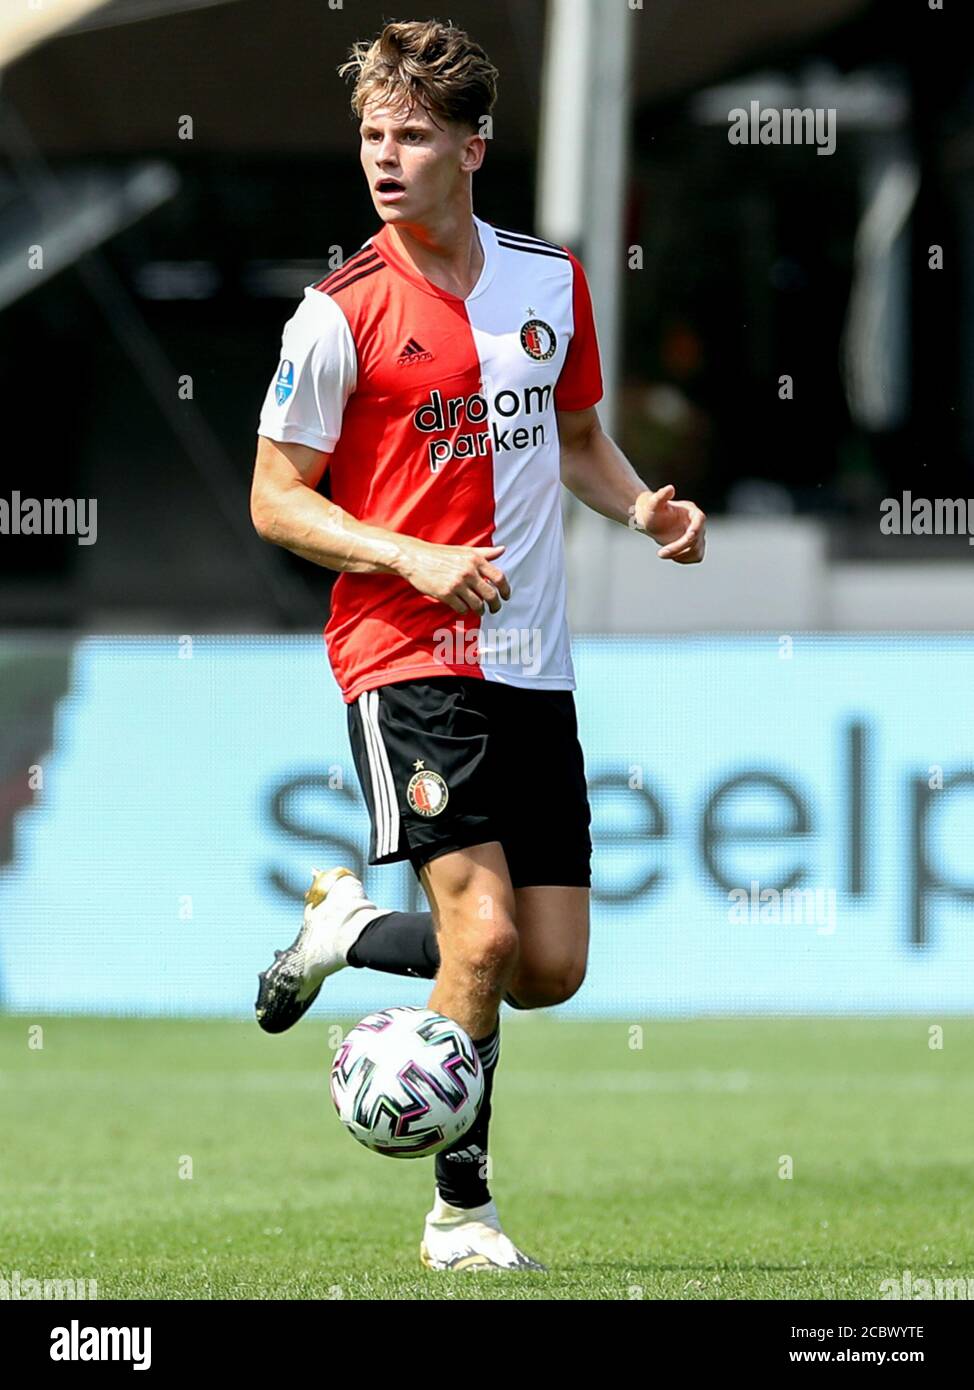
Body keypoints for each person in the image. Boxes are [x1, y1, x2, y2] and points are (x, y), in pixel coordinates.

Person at [251, 18, 706, 1272]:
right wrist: (410, 556)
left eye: (410, 136)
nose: (384, 159)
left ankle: (345, 932)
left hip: (534, 665)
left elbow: (573, 443)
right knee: (484, 937)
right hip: (400, 650)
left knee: (549, 964)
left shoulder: (548, 283)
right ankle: (460, 1209)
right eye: (370, 137)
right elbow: (274, 498)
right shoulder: (334, 317)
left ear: (472, 147)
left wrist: (643, 509)